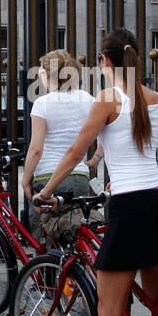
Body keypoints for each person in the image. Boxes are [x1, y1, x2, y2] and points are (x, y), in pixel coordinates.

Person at [34, 27, 158, 316]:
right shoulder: (157, 100)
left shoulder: (109, 98)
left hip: (129, 207)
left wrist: (47, 190)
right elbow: (134, 150)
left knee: (109, 312)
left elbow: (78, 150)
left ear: (105, 61)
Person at [22, 48, 102, 243]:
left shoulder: (43, 103)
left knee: (49, 238)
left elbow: (36, 149)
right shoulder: (89, 100)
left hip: (48, 177)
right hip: (80, 176)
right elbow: (107, 135)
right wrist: (95, 159)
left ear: (48, 75)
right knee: (75, 236)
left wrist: (25, 180)